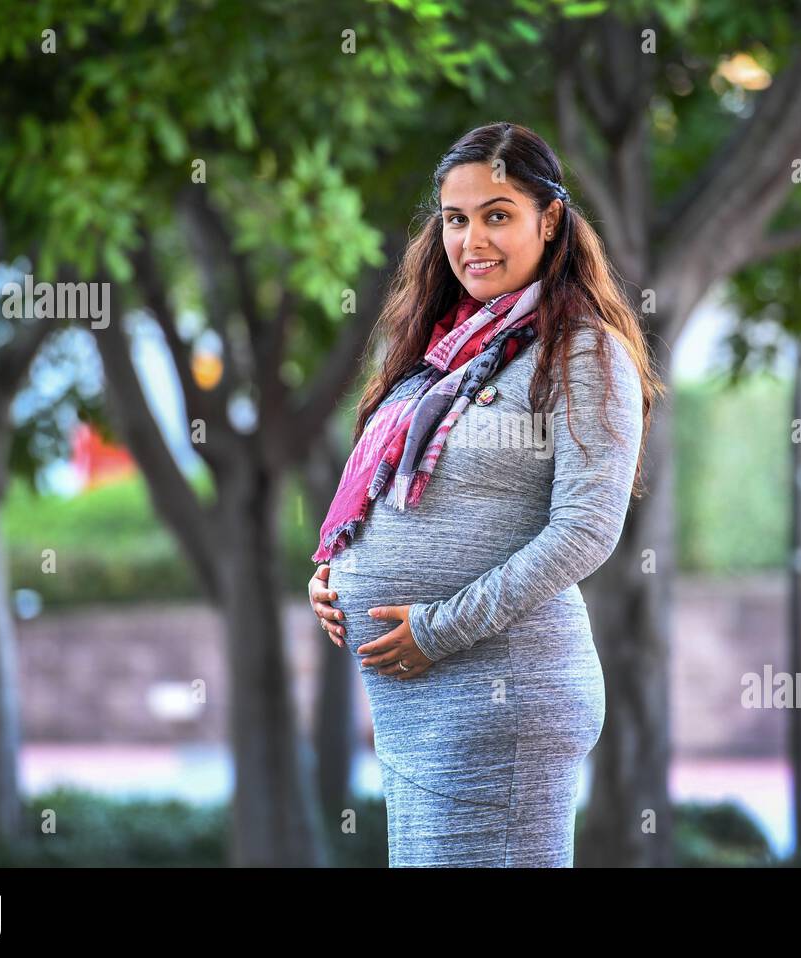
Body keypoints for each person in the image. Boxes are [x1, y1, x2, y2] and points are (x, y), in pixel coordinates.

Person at [306, 121, 663, 867]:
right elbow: (381, 496)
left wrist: (438, 627)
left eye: (498, 214)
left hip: (504, 695)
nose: (473, 240)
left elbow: (586, 530)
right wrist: (333, 573)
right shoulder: (436, 352)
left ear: (551, 219)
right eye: (457, 219)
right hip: (415, 705)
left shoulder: (582, 350)